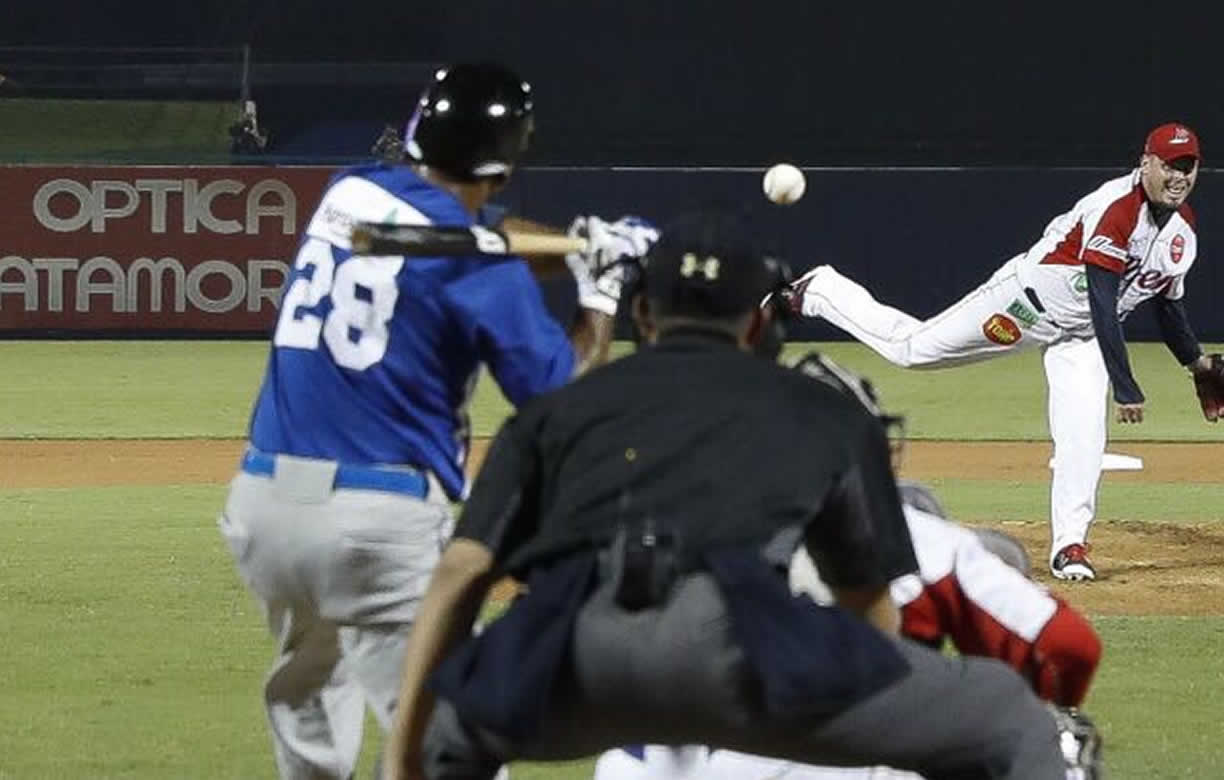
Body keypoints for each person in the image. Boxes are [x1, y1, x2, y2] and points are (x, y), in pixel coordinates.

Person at [381, 213, 1083, 780]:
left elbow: (462, 573)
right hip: (749, 655)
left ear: (646, 317)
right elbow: (867, 610)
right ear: (757, 323)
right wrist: (860, 715)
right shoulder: (822, 409)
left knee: (449, 744)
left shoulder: (555, 410)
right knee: (1010, 721)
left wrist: (408, 751)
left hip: (574, 658)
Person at [216, 62, 651, 780]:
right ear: (507, 159)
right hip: (374, 526)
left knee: (309, 690)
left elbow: (463, 233)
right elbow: (559, 395)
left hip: (262, 509)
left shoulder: (350, 195)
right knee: (452, 733)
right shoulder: (485, 274)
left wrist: (575, 245)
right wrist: (599, 290)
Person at [777, 122, 1224, 582]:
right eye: (1169, 164)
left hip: (1083, 335)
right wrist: (1126, 385)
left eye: (1188, 166)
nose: (1179, 176)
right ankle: (822, 290)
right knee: (914, 350)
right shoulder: (1115, 209)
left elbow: (1166, 303)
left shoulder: (1182, 232)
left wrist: (1196, 363)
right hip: (1022, 306)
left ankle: (1070, 546)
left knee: (1083, 435)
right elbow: (1101, 298)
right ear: (1145, 163)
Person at [594, 352, 1105, 780]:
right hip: (859, 756)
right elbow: (1068, 646)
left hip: (698, 758)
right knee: (1050, 743)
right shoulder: (920, 537)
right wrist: (1026, 715)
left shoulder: (676, 530)